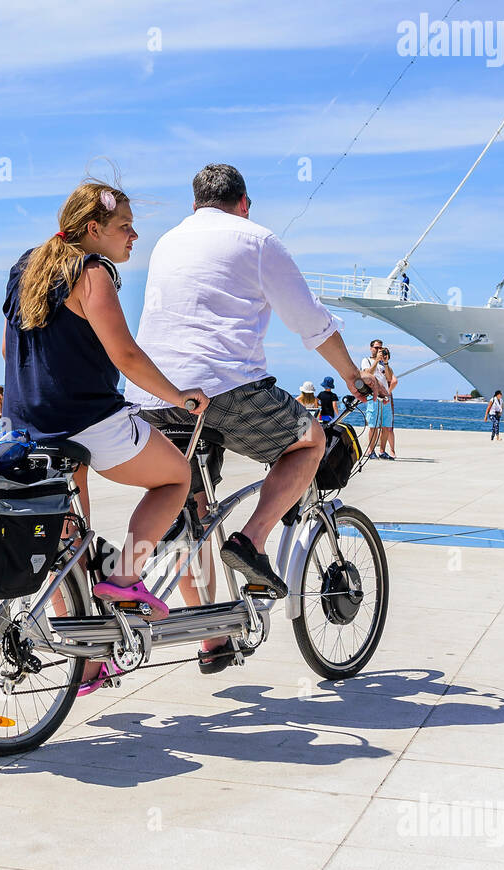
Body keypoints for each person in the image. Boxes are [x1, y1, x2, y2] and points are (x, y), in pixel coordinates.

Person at [130, 163, 370, 671]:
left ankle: (212, 638)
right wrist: (352, 375)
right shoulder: (256, 240)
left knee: (190, 511)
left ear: (195, 205)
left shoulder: (167, 242)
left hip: (154, 393)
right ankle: (253, 541)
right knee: (309, 440)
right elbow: (311, 323)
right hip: (223, 390)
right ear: (244, 203)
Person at [1, 179, 209, 693]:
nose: (134, 236)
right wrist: (181, 395)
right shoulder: (92, 273)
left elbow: (8, 353)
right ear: (94, 230)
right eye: (125, 227)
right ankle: (121, 581)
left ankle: (88, 657)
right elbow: (128, 357)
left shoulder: (26, 267)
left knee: (67, 541)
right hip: (87, 419)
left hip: (28, 423)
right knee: (175, 479)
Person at [373, 346, 397, 459]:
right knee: (374, 425)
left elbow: (390, 379)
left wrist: (386, 363)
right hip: (375, 396)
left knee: (387, 426)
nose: (382, 354)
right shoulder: (369, 362)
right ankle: (371, 450)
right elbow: (368, 373)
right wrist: (377, 360)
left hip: (386, 397)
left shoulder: (387, 366)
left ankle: (384, 451)